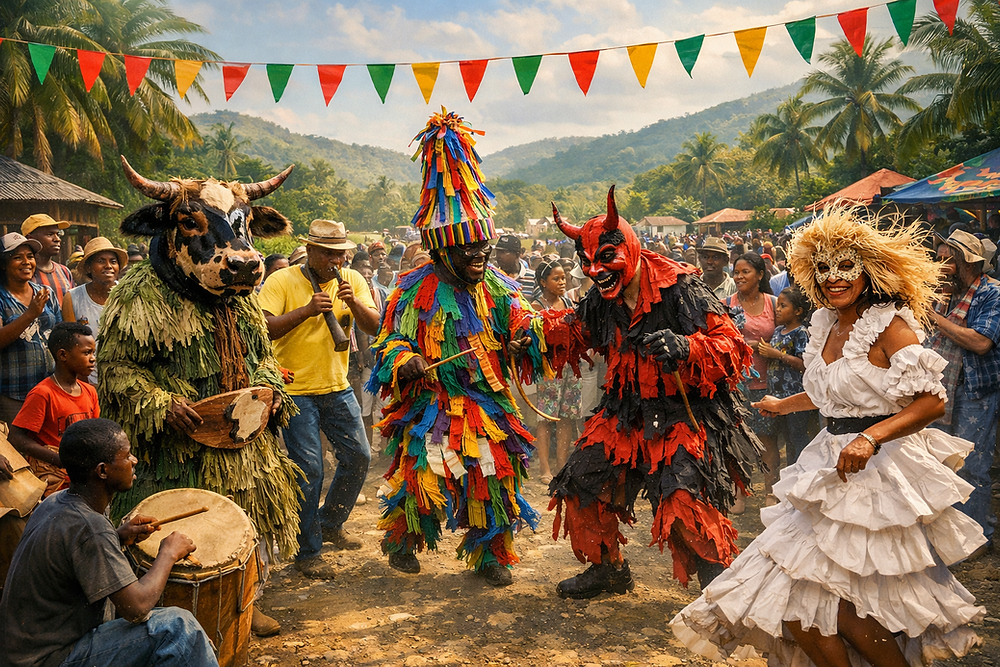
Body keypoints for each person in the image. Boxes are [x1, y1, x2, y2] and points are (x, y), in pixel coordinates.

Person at [672, 207, 986, 667]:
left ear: (868, 271)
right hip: (827, 464)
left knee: (847, 606)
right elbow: (835, 394)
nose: (834, 277)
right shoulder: (824, 324)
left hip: (878, 470)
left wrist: (870, 439)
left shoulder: (889, 325)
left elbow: (931, 402)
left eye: (845, 266)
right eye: (823, 267)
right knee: (797, 602)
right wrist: (784, 404)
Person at [543, 188, 761, 598]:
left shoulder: (681, 289)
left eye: (605, 259)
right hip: (624, 414)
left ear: (628, 248)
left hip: (682, 417)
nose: (595, 271)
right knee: (581, 481)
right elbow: (576, 330)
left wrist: (688, 347)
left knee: (683, 501)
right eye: (587, 262)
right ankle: (609, 570)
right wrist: (532, 334)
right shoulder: (601, 296)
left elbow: (732, 345)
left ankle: (722, 592)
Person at [367, 110, 541, 586]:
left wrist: (524, 336)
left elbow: (524, 316)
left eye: (484, 251)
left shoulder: (497, 285)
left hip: (486, 402)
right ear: (443, 250)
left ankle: (490, 556)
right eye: (469, 253)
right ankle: (403, 542)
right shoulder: (411, 289)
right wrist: (407, 359)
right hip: (432, 401)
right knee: (421, 478)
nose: (480, 259)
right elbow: (388, 342)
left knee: (494, 477)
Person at [0, 418, 218, 667]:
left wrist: (118, 535)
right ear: (102, 471)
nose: (134, 460)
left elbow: (77, 548)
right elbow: (137, 608)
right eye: (126, 456)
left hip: (22, 653)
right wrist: (168, 553)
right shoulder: (90, 527)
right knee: (178, 629)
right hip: (49, 660)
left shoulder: (56, 502)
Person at [259, 219, 379, 579]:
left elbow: (375, 326)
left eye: (339, 254)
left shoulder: (352, 279)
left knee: (359, 456)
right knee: (310, 470)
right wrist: (307, 311)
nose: (335, 261)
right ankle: (307, 550)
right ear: (310, 250)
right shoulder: (281, 280)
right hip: (295, 392)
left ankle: (330, 523)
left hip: (337, 386)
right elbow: (264, 328)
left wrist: (353, 302)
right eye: (327, 253)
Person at [925, 229, 1000, 559]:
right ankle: (950, 536)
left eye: (947, 260)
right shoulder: (943, 294)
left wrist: (935, 319)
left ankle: (979, 537)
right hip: (940, 389)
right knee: (940, 462)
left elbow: (981, 342)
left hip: (975, 391)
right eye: (939, 258)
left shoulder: (991, 294)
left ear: (968, 264)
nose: (940, 266)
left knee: (972, 465)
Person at [8, 322, 98, 498]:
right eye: (86, 353)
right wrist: (59, 460)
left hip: (82, 480)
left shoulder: (90, 392)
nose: (93, 358)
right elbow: (16, 437)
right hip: (53, 485)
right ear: (63, 355)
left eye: (93, 353)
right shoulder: (43, 393)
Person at [725, 252, 778, 507]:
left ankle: (771, 490)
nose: (739, 277)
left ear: (760, 275)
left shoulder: (774, 304)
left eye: (745, 272)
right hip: (735, 384)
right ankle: (739, 490)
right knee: (737, 438)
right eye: (736, 272)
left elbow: (786, 337)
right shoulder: (727, 304)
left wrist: (767, 348)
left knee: (767, 439)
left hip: (767, 383)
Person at [0, 233, 61, 426]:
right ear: (3, 264)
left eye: (30, 256)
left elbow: (60, 335)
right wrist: (30, 314)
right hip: (14, 394)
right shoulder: (2, 298)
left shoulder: (46, 293)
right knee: (18, 442)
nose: (26, 262)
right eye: (17, 257)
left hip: (50, 389)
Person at [530, 260, 581, 482]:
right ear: (543, 282)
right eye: (556, 279)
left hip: (571, 367)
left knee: (567, 416)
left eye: (563, 278)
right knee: (546, 417)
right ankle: (544, 467)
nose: (562, 282)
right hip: (549, 369)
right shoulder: (537, 307)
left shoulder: (569, 302)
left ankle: (561, 464)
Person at [757, 286, 817, 465]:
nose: (777, 309)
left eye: (783, 306)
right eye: (778, 305)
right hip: (777, 396)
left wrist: (777, 355)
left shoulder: (801, 333)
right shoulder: (778, 331)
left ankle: (801, 471)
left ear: (798, 311)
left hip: (794, 396)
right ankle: (790, 471)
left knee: (797, 437)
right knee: (786, 437)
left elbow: (804, 364)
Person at [61, 238, 127, 385]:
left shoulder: (127, 295)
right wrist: (85, 385)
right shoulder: (73, 298)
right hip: (88, 380)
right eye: (101, 261)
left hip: (124, 379)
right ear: (88, 268)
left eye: (113, 261)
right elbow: (71, 344)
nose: (108, 266)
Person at [20, 214, 74, 305]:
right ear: (30, 238)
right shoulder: (23, 273)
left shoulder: (64, 271)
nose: (57, 239)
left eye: (58, 234)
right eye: (50, 234)